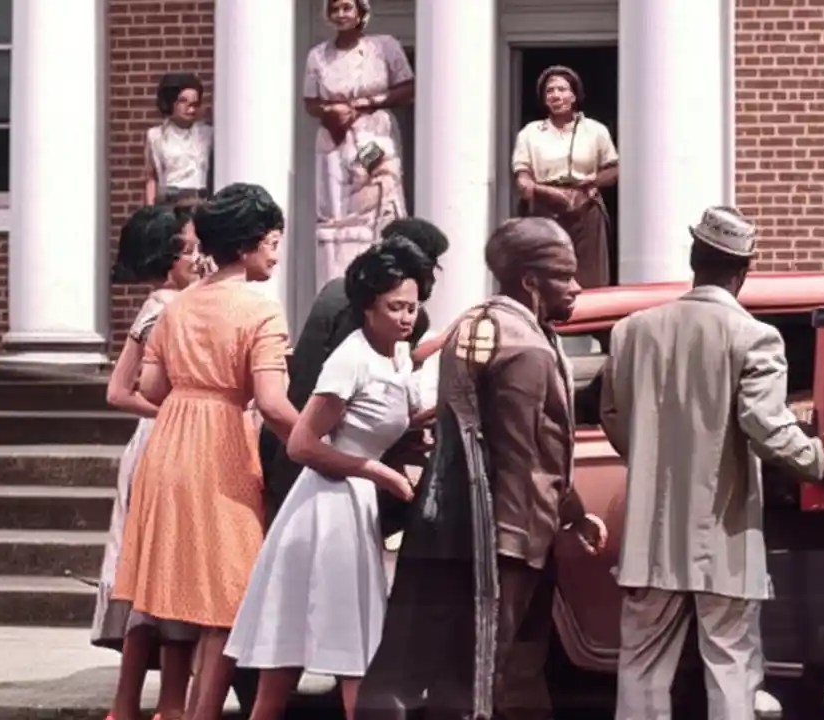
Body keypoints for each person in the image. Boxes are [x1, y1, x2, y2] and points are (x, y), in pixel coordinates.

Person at [600, 206, 824, 720]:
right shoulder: (753, 335)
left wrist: (650, 458)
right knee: (731, 667)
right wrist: (820, 462)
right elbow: (765, 425)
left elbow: (614, 416)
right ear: (743, 271)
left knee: (641, 670)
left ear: (695, 258)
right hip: (725, 534)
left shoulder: (631, 332)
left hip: (651, 533)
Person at [355, 217, 608, 720]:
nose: (577, 286)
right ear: (530, 281)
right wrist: (554, 524)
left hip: (451, 524)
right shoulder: (526, 348)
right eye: (564, 275)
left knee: (460, 668)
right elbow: (529, 454)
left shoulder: (479, 324)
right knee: (491, 671)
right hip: (505, 536)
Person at [225, 239, 438, 720]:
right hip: (326, 505)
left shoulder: (397, 355)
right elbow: (301, 444)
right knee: (339, 646)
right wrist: (375, 471)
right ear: (368, 307)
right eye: (395, 307)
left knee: (312, 647)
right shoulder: (351, 360)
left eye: (413, 306)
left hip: (354, 504)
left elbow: (399, 417)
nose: (406, 316)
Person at [110, 183, 300, 720]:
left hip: (169, 444)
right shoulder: (261, 310)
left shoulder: (178, 305)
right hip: (221, 442)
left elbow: (150, 387)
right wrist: (315, 439)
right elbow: (272, 402)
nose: (275, 253)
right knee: (228, 593)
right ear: (250, 244)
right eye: (273, 241)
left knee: (179, 588)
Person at [259, 218, 448, 524]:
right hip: (324, 455)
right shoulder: (360, 341)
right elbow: (363, 387)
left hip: (302, 440)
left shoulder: (338, 291)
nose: (406, 316)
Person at [95, 204, 204, 720]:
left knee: (151, 578)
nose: (197, 255)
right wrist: (174, 410)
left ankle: (136, 705)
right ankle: (158, 706)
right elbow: (119, 391)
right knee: (157, 576)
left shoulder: (174, 302)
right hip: (162, 441)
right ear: (169, 257)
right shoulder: (164, 306)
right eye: (188, 247)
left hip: (171, 437)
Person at [305, 0, 415, 292]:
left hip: (373, 130)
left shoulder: (384, 46)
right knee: (335, 213)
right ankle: (335, 281)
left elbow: (407, 88)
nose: (341, 15)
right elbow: (310, 102)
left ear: (360, 12)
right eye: (335, 9)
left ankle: (378, 276)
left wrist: (365, 103)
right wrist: (331, 113)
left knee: (378, 197)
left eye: (347, 8)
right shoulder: (318, 55)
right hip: (334, 136)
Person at [513, 65, 619, 289]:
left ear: (574, 95)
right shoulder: (530, 133)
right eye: (549, 91)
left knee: (590, 276)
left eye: (562, 89)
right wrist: (545, 192)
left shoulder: (596, 130)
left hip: (585, 206)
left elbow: (614, 171)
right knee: (546, 273)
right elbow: (523, 181)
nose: (555, 95)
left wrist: (594, 181)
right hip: (544, 208)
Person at [144, 72, 213, 205]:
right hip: (169, 202)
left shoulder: (207, 134)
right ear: (171, 102)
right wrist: (151, 211)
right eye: (183, 101)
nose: (190, 108)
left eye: (194, 103)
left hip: (199, 201)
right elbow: (151, 178)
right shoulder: (155, 136)